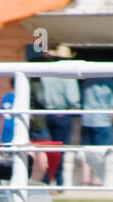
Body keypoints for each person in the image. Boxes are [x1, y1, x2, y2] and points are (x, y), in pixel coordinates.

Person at [39, 46, 81, 187]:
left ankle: (46, 179)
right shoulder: (68, 76)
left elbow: (41, 96)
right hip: (63, 114)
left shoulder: (47, 75)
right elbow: (73, 98)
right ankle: (59, 182)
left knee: (49, 148)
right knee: (60, 149)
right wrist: (75, 109)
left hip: (48, 113)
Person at [78, 75, 113, 187]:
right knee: (100, 152)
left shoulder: (87, 81)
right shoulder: (111, 83)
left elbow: (80, 100)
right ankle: (96, 180)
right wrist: (111, 122)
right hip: (103, 122)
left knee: (86, 152)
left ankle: (85, 180)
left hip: (86, 120)